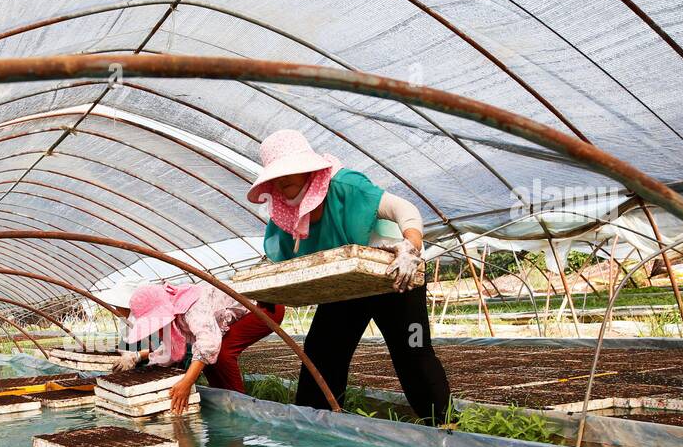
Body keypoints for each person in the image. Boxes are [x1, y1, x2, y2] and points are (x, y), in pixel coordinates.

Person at [249, 129, 451, 423]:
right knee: (321, 351)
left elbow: (403, 208)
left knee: (412, 349)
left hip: (391, 275)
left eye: (292, 170)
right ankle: (318, 425)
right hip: (346, 284)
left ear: (310, 169)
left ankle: (445, 424)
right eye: (277, 174)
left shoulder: (345, 186)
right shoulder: (285, 213)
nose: (284, 179)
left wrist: (410, 248)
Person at [94, 280, 284, 413]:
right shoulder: (174, 319)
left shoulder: (191, 306)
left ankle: (241, 406)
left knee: (223, 353)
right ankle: (226, 403)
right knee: (208, 360)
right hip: (241, 315)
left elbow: (209, 343)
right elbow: (170, 351)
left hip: (262, 309)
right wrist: (138, 357)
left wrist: (187, 382)